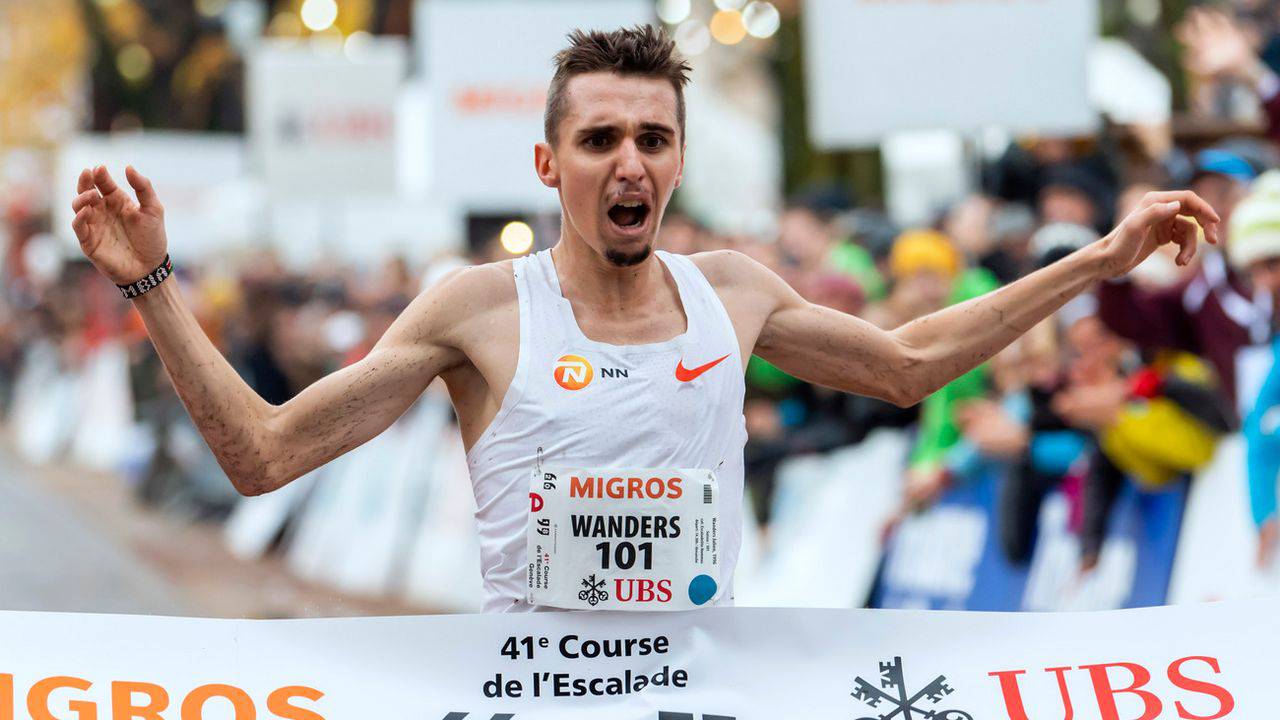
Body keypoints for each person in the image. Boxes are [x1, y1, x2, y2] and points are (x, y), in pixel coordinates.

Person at [68, 26, 1219, 613]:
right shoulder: (477, 309)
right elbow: (263, 456)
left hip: (698, 685)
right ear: (547, 163)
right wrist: (152, 285)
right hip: (534, 691)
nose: (629, 162)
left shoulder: (732, 290)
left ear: (674, 161)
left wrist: (1097, 262)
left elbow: (912, 365)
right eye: (599, 140)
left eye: (652, 140)